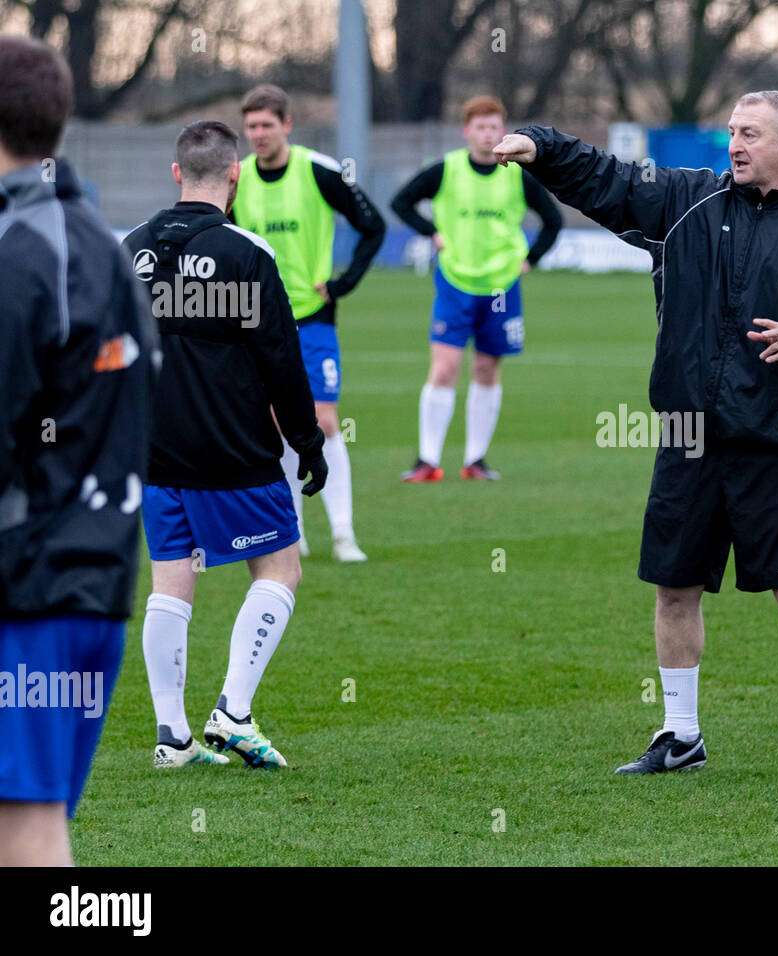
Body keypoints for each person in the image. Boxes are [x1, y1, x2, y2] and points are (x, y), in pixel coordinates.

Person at [494, 91, 778, 781]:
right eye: (731, 131)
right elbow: (604, 177)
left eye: (751, 134)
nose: (735, 144)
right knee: (674, 588)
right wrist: (541, 147)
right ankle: (681, 735)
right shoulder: (683, 204)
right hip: (688, 437)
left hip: (774, 440)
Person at [123, 120, 328, 770]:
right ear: (234, 175)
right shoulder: (246, 253)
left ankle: (171, 736)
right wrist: (307, 442)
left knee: (170, 582)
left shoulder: (130, 250)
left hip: (155, 452)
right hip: (233, 452)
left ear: (178, 173)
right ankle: (232, 713)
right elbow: (282, 362)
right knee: (281, 568)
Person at [0, 36, 157, 864]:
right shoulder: (106, 246)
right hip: (93, 586)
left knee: (24, 829)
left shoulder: (19, 254)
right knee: (36, 825)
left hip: (29, 592)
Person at [231, 84, 384, 562]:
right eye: (251, 126)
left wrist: (342, 283)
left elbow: (372, 225)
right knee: (276, 427)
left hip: (313, 318)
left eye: (266, 125)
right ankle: (293, 532)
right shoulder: (236, 179)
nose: (257, 134)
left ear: (286, 125)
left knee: (323, 421)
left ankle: (344, 533)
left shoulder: (319, 172)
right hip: (258, 324)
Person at [391, 95, 562, 483]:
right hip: (456, 283)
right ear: (467, 131)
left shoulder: (519, 174)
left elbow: (553, 220)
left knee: (486, 369)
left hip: (502, 288)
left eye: (494, 127)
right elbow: (400, 202)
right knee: (446, 368)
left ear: (503, 131)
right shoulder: (446, 170)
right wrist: (430, 233)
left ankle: (475, 460)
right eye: (480, 127)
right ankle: (428, 461)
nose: (487, 134)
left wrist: (530, 259)